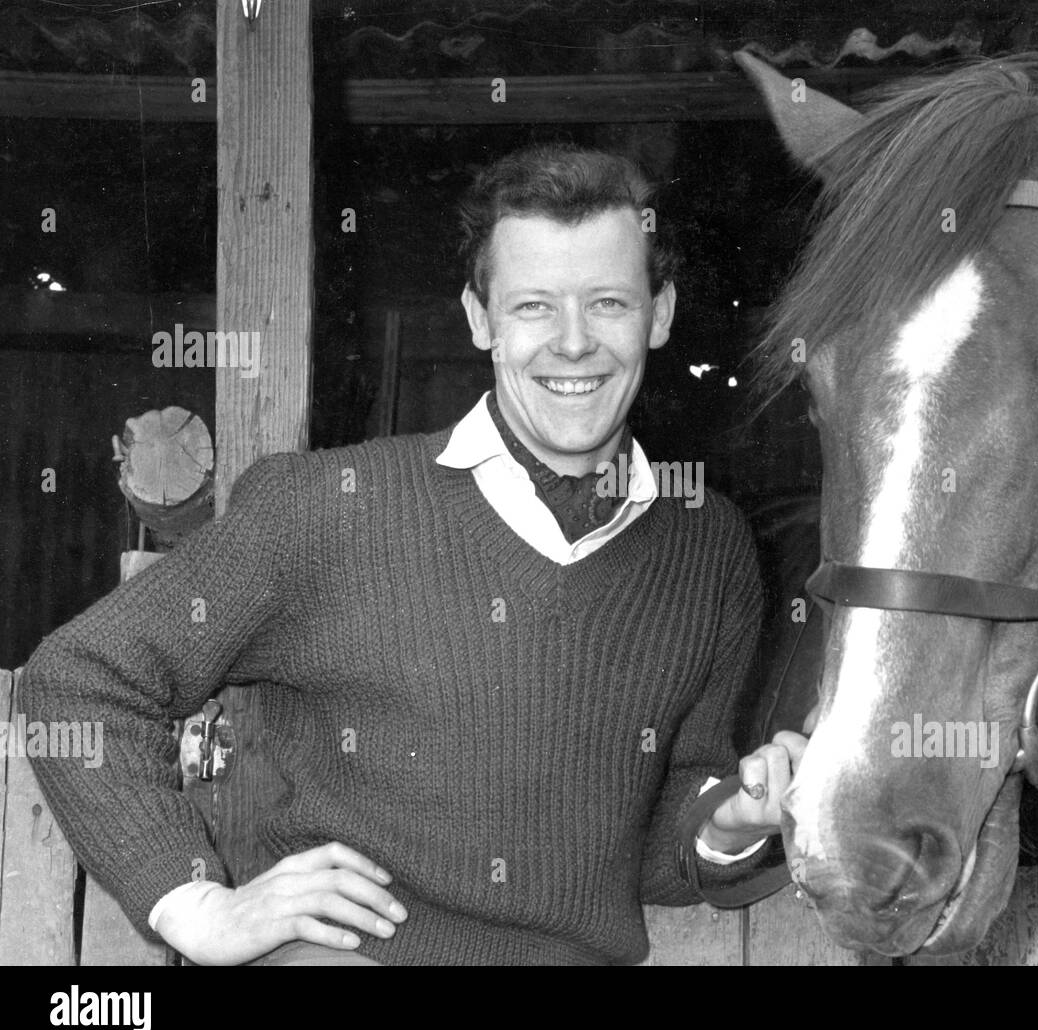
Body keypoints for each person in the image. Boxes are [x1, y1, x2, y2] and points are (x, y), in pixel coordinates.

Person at [19, 142, 806, 966]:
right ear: (479, 319)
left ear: (662, 312)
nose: (574, 343)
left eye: (608, 301)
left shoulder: (708, 545)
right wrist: (195, 905)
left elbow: (647, 835)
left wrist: (725, 823)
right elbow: (80, 680)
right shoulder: (326, 509)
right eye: (534, 306)